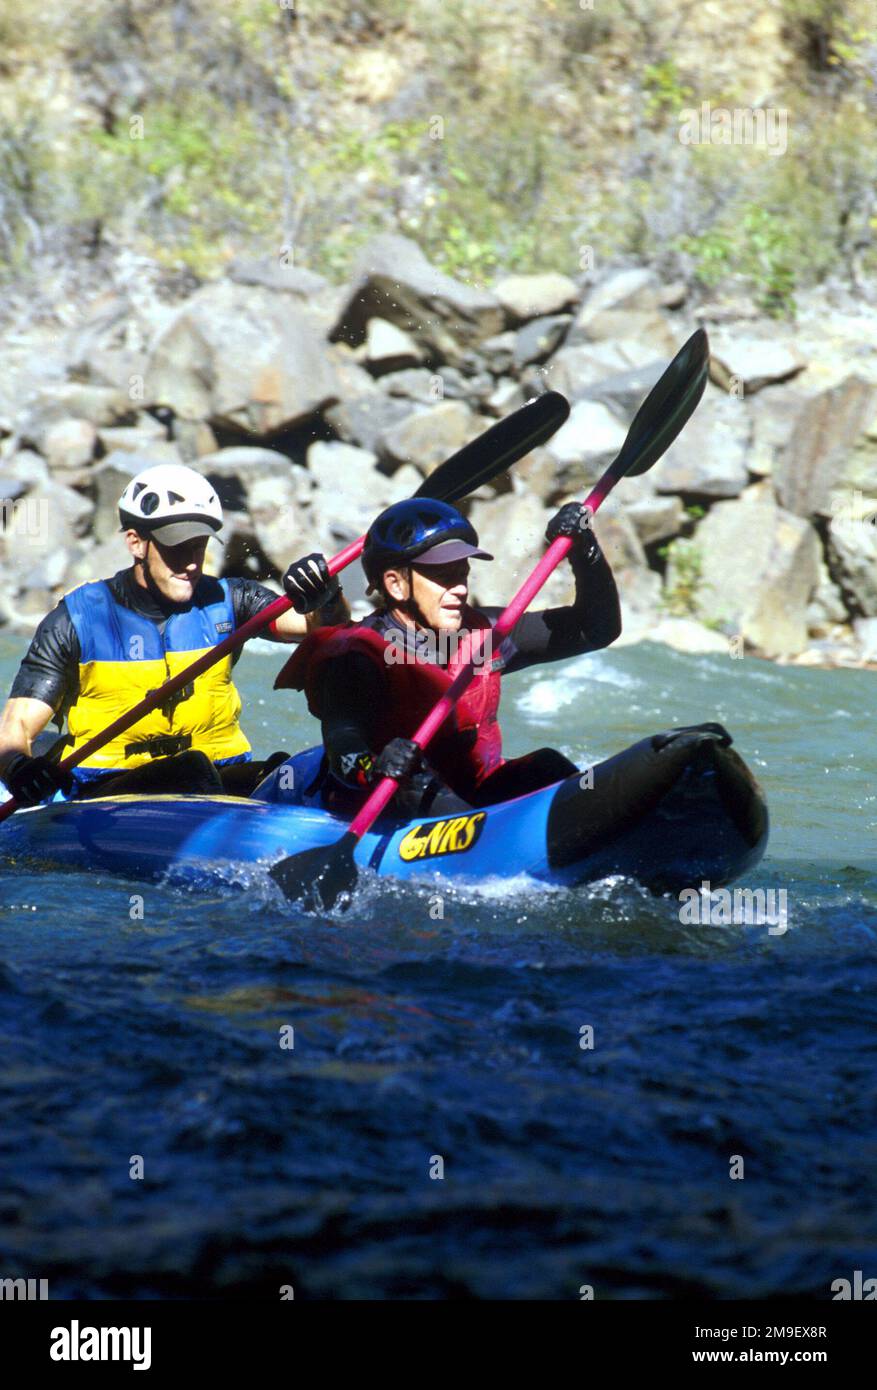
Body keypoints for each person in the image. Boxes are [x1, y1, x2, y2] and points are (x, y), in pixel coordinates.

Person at [0, 462, 349, 805]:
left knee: (294, 771)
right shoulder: (75, 621)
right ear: (136, 543)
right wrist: (18, 768)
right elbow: (15, 727)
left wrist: (325, 595)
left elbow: (320, 627)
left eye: (198, 546)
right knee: (189, 769)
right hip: (107, 792)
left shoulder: (230, 600)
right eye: (176, 548)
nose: (192, 562)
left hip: (219, 779)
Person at [272, 496, 622, 818]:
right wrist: (372, 767)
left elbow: (595, 629)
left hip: (471, 793)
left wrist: (584, 550)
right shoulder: (357, 655)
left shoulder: (487, 632)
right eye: (443, 576)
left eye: (462, 573)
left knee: (546, 766)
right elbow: (341, 742)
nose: (460, 588)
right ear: (396, 584)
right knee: (418, 782)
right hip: (386, 801)